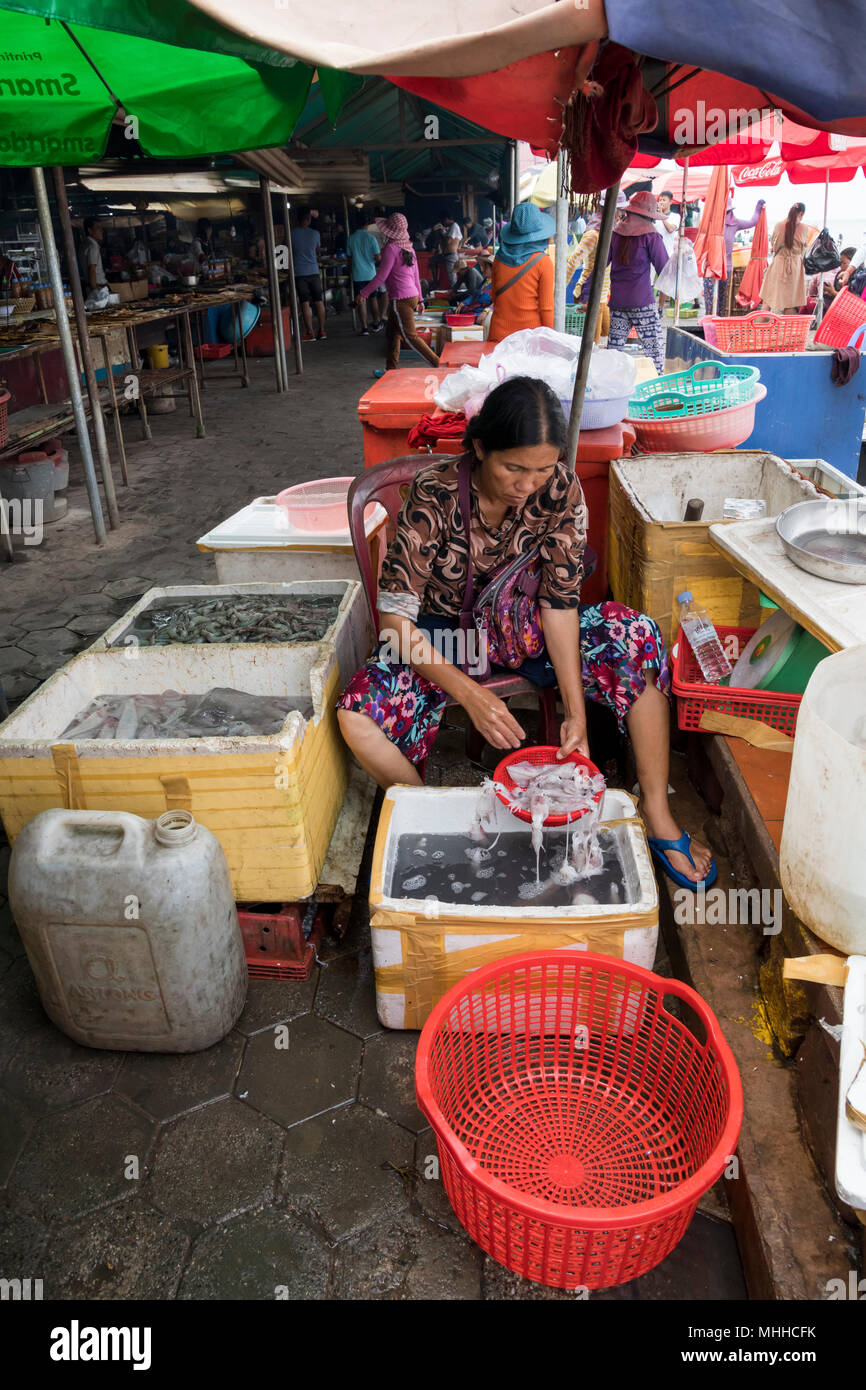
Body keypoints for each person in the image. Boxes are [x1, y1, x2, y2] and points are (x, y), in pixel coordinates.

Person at [336, 376, 714, 889]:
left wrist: (577, 714)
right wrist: (471, 697)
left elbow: (559, 604)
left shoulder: (560, 488)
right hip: (449, 639)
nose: (527, 484)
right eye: (513, 467)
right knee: (357, 716)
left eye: (540, 468)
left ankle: (658, 812)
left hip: (526, 629)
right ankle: (439, 820)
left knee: (637, 635)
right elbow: (395, 626)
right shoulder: (435, 494)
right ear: (479, 448)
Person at [356, 213, 440, 370]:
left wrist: (364, 293)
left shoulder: (391, 248)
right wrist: (421, 300)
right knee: (393, 334)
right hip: (412, 295)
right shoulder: (410, 248)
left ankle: (438, 364)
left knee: (410, 337)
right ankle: (391, 369)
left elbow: (381, 276)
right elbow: (416, 278)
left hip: (400, 299)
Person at [606, 190, 668, 375]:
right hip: (642, 302)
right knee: (654, 351)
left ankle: (609, 385)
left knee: (613, 353)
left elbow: (600, 265)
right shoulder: (651, 236)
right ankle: (657, 389)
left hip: (617, 302)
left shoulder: (615, 233)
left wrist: (584, 294)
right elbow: (664, 267)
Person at [487, 200, 555, 344]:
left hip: (499, 336)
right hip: (529, 339)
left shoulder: (499, 258)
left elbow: (494, 296)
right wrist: (551, 340)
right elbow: (547, 308)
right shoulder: (543, 262)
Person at [703, 195, 765, 315]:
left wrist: (758, 207)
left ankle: (717, 322)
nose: (725, 214)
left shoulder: (734, 223)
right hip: (711, 266)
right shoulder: (710, 222)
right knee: (710, 299)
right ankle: (710, 321)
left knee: (720, 298)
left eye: (727, 211)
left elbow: (753, 222)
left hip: (726, 267)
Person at [567, 204, 612, 343]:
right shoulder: (593, 235)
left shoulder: (610, 233)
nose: (620, 215)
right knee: (592, 345)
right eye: (618, 211)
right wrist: (558, 290)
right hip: (589, 297)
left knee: (605, 335)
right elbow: (573, 262)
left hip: (603, 297)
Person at [760, 202, 810, 314]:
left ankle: (760, 329)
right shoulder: (804, 228)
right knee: (790, 303)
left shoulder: (778, 225)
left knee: (767, 300)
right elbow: (803, 249)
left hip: (779, 263)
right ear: (802, 213)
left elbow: (773, 245)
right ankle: (788, 331)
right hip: (795, 267)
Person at [290, 206, 327, 342]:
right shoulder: (315, 234)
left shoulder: (291, 233)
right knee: (319, 301)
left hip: (299, 273)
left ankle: (310, 332)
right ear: (308, 219)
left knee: (304, 302)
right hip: (314, 272)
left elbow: (285, 251)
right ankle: (322, 330)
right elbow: (318, 251)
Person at [348, 222, 384, 335]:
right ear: (366, 225)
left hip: (357, 274)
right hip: (371, 274)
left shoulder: (351, 238)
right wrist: (372, 261)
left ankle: (364, 328)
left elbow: (349, 257)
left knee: (361, 300)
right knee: (373, 299)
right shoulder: (371, 238)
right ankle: (376, 323)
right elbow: (378, 257)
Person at [654, 189, 680, 314]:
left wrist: (661, 216)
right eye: (660, 200)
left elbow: (670, 229)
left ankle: (660, 308)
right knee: (649, 280)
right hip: (652, 252)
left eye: (664, 200)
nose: (661, 202)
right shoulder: (654, 216)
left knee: (664, 282)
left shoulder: (675, 217)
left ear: (670, 202)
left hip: (667, 253)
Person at [433, 210, 462, 286]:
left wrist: (442, 231)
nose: (443, 223)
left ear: (446, 219)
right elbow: (441, 240)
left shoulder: (454, 226)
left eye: (443, 221)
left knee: (452, 279)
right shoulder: (450, 228)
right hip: (447, 255)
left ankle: (456, 293)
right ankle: (436, 282)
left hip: (451, 255)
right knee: (432, 261)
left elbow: (448, 241)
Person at [80, 217, 107, 293]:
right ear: (90, 231)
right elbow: (92, 269)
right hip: (98, 287)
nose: (101, 230)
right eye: (98, 228)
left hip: (90, 287)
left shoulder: (85, 244)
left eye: (101, 228)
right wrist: (95, 289)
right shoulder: (93, 246)